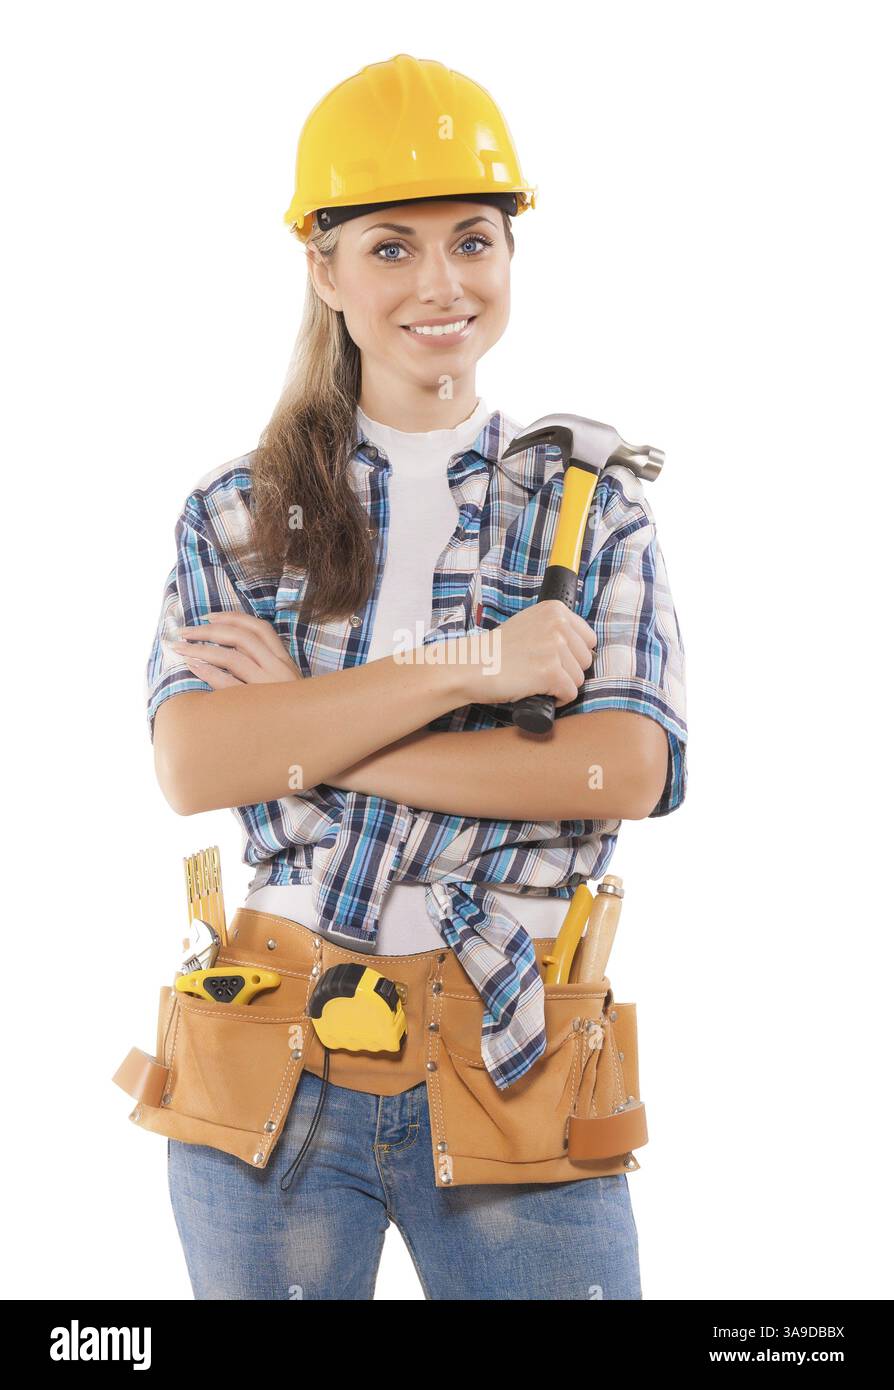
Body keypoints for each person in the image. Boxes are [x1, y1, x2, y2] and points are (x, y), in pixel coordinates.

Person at [146, 54, 687, 1300]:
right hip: (269, 1046)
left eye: (473, 241)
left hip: (512, 1046)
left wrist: (308, 720)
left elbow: (629, 768)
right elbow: (191, 766)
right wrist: (475, 671)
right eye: (391, 247)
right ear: (323, 269)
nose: (441, 284)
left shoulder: (590, 511)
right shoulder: (234, 516)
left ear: (510, 256)